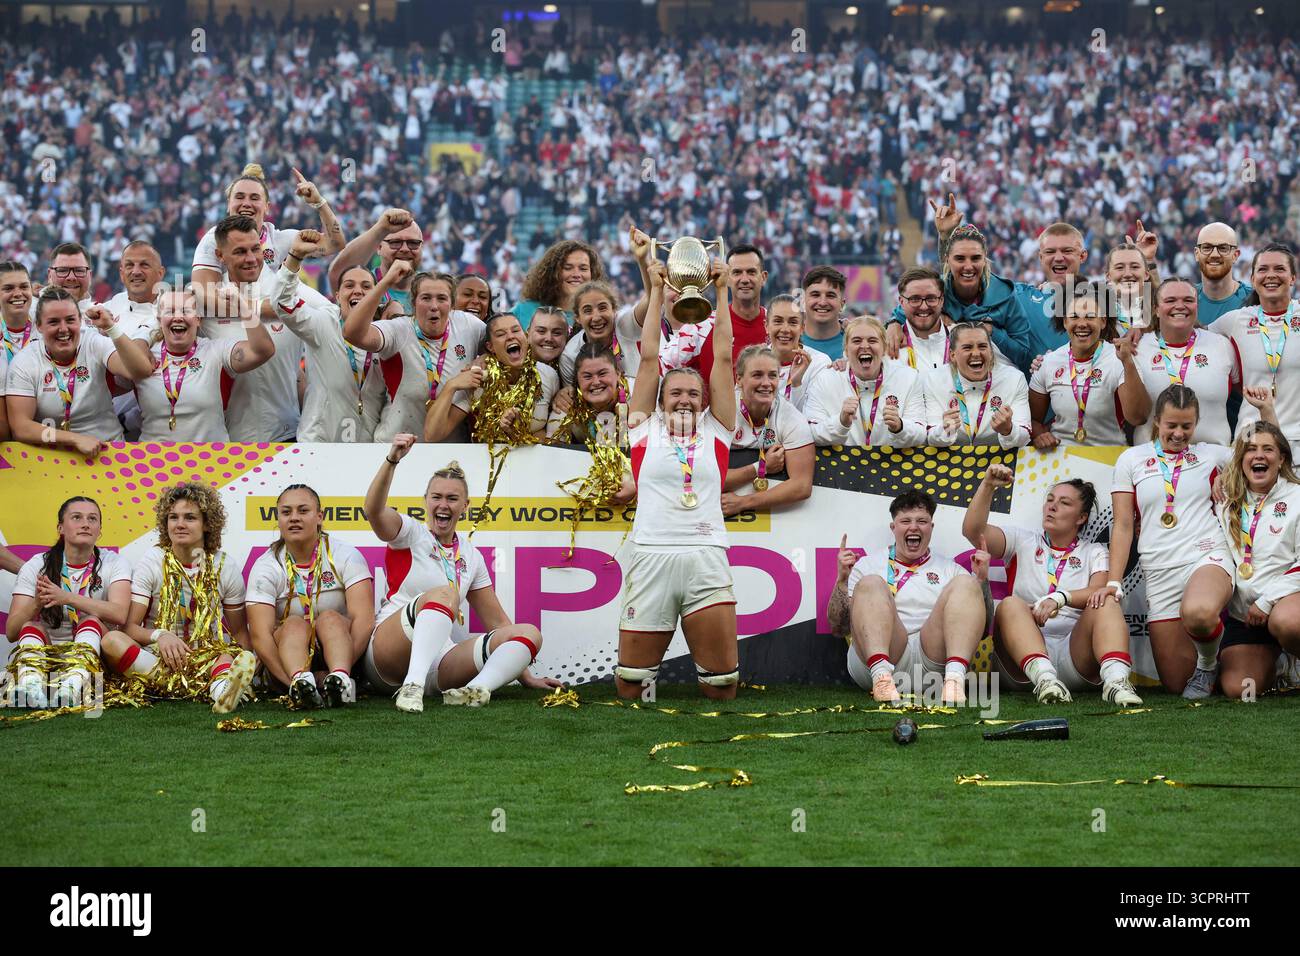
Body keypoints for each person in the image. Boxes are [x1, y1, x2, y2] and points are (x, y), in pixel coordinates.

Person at [616, 257, 740, 700]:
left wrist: (721, 292)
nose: (684, 399)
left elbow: (723, 355)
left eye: (693, 393)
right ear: (661, 400)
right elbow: (650, 356)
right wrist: (653, 290)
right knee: (632, 686)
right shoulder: (641, 427)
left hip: (705, 554)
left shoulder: (717, 428)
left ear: (704, 400)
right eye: (675, 393)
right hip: (651, 553)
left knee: (722, 688)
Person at [361, 443, 559, 712]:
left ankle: (476, 690)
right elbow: (373, 511)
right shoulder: (410, 533)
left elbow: (498, 622)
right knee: (446, 593)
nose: (443, 505)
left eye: (452, 499)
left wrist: (525, 677)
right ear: (426, 501)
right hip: (387, 658)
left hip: (440, 665)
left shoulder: (471, 555)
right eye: (437, 497)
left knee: (529, 633)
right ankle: (411, 687)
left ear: (465, 506)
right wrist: (391, 460)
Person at [1092, 385, 1255, 698]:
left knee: (1200, 612)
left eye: (1186, 426)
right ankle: (1226, 661)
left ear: (1196, 423)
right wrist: (1114, 581)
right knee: (1177, 683)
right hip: (1158, 569)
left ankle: (1208, 664)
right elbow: (1124, 524)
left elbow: (1260, 450)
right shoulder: (1131, 459)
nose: (1179, 434)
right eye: (1171, 425)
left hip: (1206, 557)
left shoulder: (1211, 454)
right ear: (1157, 422)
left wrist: (1231, 470)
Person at [963, 464, 1143, 706]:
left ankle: (1116, 682)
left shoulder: (1094, 550)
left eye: (1065, 503)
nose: (1052, 506)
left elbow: (1098, 590)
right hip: (1023, 666)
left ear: (1082, 517)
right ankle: (1045, 679)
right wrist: (987, 487)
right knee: (1010, 605)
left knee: (1106, 599)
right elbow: (974, 532)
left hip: (1075, 656)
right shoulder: (1022, 540)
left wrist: (1060, 597)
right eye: (1050, 500)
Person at [98, 483, 257, 714]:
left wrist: (247, 657)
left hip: (207, 657)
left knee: (233, 653)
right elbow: (129, 628)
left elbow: (240, 631)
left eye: (190, 517)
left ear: (207, 524)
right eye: (173, 517)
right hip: (157, 658)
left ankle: (222, 689)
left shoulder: (225, 565)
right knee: (111, 640)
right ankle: (198, 687)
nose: (180, 524)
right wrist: (160, 635)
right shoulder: (152, 561)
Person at [828, 490, 989, 705]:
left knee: (967, 583)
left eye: (922, 521)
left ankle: (955, 681)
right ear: (893, 528)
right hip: (881, 660)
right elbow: (839, 628)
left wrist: (981, 581)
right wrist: (843, 582)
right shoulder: (866, 565)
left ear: (931, 528)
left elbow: (984, 629)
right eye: (905, 521)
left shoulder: (952, 570)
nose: (914, 527)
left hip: (935, 664)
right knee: (871, 582)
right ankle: (882, 679)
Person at [246, 484, 374, 708]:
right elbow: (260, 636)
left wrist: (335, 676)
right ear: (278, 520)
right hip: (289, 660)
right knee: (294, 623)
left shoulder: (346, 555)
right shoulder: (266, 566)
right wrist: (292, 685)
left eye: (303, 511)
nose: (294, 518)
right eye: (286, 512)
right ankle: (300, 683)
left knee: (330, 618)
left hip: (339, 655)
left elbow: (364, 620)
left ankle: (340, 681)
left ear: (319, 517)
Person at [5, 496, 132, 709]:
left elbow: (119, 614)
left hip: (95, 662)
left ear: (99, 529)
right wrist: (37, 602)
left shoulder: (114, 562)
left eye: (92, 519)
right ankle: (31, 686)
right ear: (60, 528)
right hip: (49, 658)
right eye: (77, 517)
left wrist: (67, 597)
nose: (85, 523)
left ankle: (74, 684)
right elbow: (11, 631)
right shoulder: (37, 565)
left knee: (90, 620)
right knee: (29, 626)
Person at [886, 196, 1035, 372]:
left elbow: (1025, 356)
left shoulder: (1005, 296)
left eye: (976, 258)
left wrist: (990, 330)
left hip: (994, 383)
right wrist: (894, 324)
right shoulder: (935, 291)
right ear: (947, 260)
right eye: (959, 258)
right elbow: (905, 309)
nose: (968, 266)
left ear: (985, 259)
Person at [343, 263, 485, 443]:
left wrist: (486, 357)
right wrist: (386, 282)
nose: (434, 306)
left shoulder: (470, 326)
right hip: (397, 448)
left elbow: (499, 343)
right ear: (413, 303)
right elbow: (352, 333)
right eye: (426, 298)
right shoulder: (398, 330)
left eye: (442, 298)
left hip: (450, 453)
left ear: (452, 305)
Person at [270, 230, 390, 441]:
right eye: (349, 285)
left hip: (367, 449)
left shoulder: (386, 335)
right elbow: (282, 303)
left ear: (377, 297)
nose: (358, 291)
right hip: (318, 442)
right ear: (337, 296)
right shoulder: (324, 323)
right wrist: (295, 257)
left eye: (366, 286)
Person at [5, 288, 153, 456]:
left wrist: (111, 328)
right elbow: (21, 428)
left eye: (70, 320)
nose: (63, 329)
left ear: (80, 320)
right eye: (53, 322)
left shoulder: (93, 341)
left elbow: (138, 371)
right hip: (53, 456)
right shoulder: (26, 361)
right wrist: (74, 439)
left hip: (108, 450)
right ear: (38, 326)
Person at [198, 214, 305, 443]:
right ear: (220, 255)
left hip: (288, 435)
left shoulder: (288, 293)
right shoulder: (203, 305)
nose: (251, 259)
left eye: (255, 249)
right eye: (239, 252)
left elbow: (334, 317)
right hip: (228, 442)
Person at [1216, 422, 1300, 698]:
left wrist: (1267, 601)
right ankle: (1281, 661)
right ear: (1241, 460)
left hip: (1286, 604)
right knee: (1241, 691)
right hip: (1246, 617)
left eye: (1268, 449)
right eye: (1251, 450)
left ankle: (1292, 650)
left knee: (1287, 623)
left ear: (1282, 459)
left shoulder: (1297, 497)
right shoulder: (1226, 500)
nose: (1259, 456)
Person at [133, 287, 275, 441]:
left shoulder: (216, 351)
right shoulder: (141, 358)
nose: (178, 317)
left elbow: (262, 351)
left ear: (198, 319)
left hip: (211, 461)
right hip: (153, 460)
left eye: (186, 311)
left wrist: (243, 308)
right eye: (170, 311)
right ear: (160, 320)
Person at [191, 164, 344, 296]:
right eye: (239, 197)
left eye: (254, 198)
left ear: (267, 207)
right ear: (228, 204)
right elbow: (203, 294)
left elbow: (335, 244)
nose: (246, 203)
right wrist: (264, 308)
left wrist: (319, 202)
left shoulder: (280, 240)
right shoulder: (214, 239)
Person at [1029, 284, 1149, 449]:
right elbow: (1032, 420)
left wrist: (1127, 362)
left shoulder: (1118, 359)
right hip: (1060, 458)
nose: (1082, 324)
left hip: (1109, 457)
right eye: (1074, 317)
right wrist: (1040, 434)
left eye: (1090, 316)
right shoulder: (1048, 362)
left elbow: (1138, 417)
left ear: (1103, 321)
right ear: (1065, 322)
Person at [1211, 243, 1300, 448]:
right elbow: (1180, 330)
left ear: (1293, 278)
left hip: (1296, 438)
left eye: (1279, 269)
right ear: (1252, 279)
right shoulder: (1235, 321)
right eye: (1262, 269)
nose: (1270, 275)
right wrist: (1137, 323)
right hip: (1250, 437)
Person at [424, 312, 558, 443]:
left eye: (516, 330)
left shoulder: (548, 375)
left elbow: (551, 432)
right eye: (501, 334)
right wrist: (451, 386)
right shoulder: (477, 379)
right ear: (490, 347)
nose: (511, 337)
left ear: (526, 337)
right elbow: (432, 435)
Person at [1134, 279, 1238, 446]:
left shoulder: (1222, 345)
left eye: (1188, 300)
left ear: (1197, 306)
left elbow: (1244, 395)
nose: (1180, 306)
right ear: (1156, 309)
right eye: (1170, 300)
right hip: (1154, 464)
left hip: (1213, 463)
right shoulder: (1137, 348)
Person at [722, 345, 814, 516]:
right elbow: (704, 476)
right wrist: (760, 467)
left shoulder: (791, 418)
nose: (766, 383)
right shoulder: (722, 412)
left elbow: (801, 485)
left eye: (772, 375)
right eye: (757, 375)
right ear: (739, 379)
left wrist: (743, 503)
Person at [805, 316, 925, 447]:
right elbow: (810, 434)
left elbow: (921, 434)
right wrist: (840, 423)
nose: (865, 346)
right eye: (856, 341)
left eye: (873, 341)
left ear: (884, 347)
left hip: (894, 465)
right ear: (846, 348)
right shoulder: (825, 379)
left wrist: (900, 427)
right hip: (842, 466)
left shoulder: (908, 378)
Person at [921, 323, 1031, 447]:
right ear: (952, 355)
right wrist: (946, 430)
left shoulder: (1014, 379)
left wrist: (1008, 430)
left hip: (1001, 461)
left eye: (982, 346)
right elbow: (931, 439)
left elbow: (1025, 436)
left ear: (991, 351)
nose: (976, 353)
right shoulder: (934, 380)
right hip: (949, 461)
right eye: (967, 348)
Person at [328, 208, 424, 315]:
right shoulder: (364, 286)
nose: (405, 249)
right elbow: (338, 274)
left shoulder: (432, 287)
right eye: (395, 242)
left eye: (413, 243)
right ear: (379, 248)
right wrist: (381, 229)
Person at [558, 280, 640, 385]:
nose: (596, 318)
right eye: (587, 311)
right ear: (577, 317)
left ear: (614, 309)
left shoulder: (625, 324)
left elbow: (650, 300)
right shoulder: (570, 356)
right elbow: (572, 395)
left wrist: (644, 267)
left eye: (602, 308)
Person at [512, 239, 602, 329]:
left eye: (583, 269)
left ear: (592, 273)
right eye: (568, 268)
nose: (576, 274)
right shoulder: (524, 310)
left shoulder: (600, 319)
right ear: (552, 272)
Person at [764, 293, 830, 410]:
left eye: (793, 322)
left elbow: (813, 418)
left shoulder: (819, 363)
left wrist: (796, 385)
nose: (785, 329)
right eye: (778, 321)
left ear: (802, 328)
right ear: (766, 326)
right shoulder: (753, 361)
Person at [890, 267, 957, 371]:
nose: (924, 307)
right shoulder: (887, 347)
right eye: (915, 299)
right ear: (901, 302)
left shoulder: (965, 340)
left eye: (931, 298)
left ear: (941, 300)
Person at [1194, 222, 1252, 324]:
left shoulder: (1254, 301)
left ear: (1235, 255)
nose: (1215, 254)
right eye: (1207, 247)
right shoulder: (1185, 301)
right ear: (1196, 254)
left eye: (1223, 248)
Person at [800, 265, 848, 360]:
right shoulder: (789, 342)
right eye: (815, 295)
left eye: (830, 295)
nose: (822, 302)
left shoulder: (856, 344)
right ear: (803, 301)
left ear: (842, 304)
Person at [526, 305, 571, 370]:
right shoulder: (513, 368)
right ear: (528, 333)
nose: (549, 338)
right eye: (541, 331)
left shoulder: (574, 365)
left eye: (557, 333)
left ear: (567, 336)